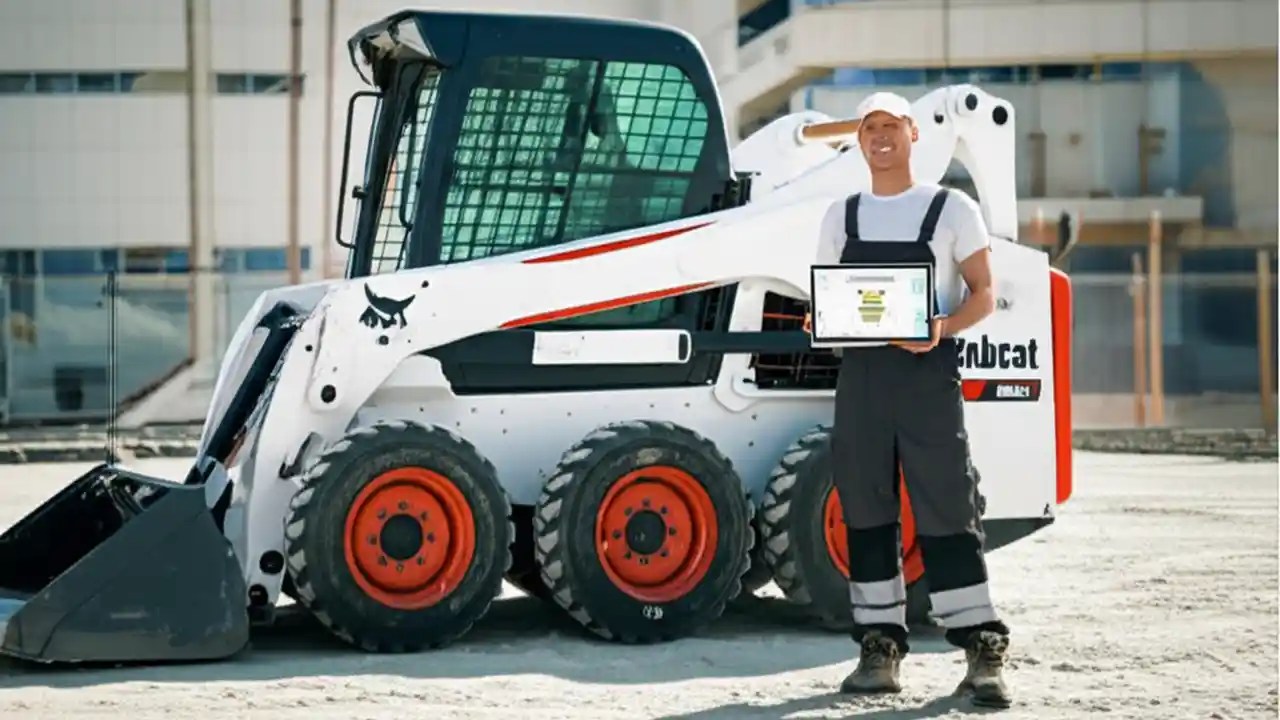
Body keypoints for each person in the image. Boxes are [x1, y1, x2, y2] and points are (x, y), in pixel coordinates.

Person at [805, 91, 1012, 709]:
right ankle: (880, 648)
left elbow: (983, 294)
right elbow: (826, 299)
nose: (881, 136)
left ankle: (981, 649)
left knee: (947, 505)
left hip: (927, 380)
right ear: (860, 140)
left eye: (891, 125)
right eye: (870, 128)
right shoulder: (841, 216)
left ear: (914, 134)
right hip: (862, 381)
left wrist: (939, 329)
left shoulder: (951, 208)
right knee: (865, 509)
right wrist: (820, 321)